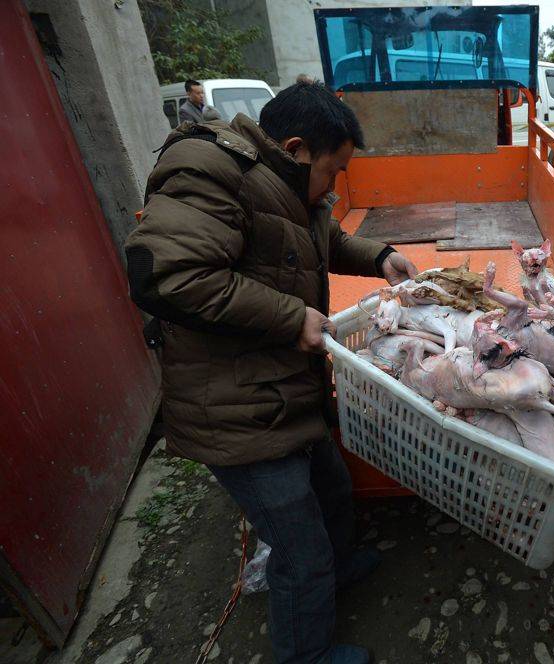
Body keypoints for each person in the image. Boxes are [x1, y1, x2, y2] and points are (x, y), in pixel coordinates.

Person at [124, 82, 418, 664]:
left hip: (284, 388)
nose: (333, 187)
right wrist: (290, 318)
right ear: (297, 147)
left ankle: (335, 574)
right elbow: (168, 276)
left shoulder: (284, 184)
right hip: (236, 408)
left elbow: (320, 240)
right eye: (333, 172)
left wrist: (380, 256)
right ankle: (306, 651)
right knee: (297, 551)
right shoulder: (213, 171)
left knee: (333, 490)